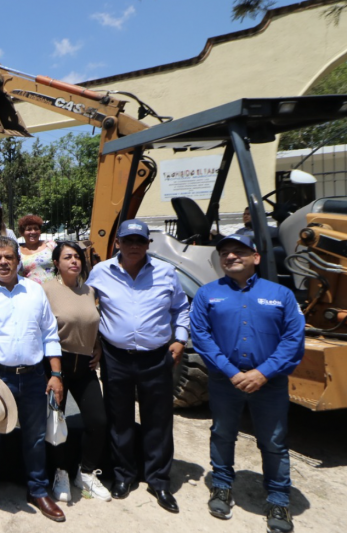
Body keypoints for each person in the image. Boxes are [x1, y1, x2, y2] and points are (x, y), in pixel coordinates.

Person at [190, 234, 304, 533]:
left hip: (270, 383)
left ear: (255, 257)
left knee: (274, 442)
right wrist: (231, 372)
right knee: (223, 433)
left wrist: (264, 373)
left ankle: (279, 498)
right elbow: (201, 337)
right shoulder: (207, 294)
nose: (230, 257)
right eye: (224, 252)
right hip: (225, 380)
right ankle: (222, 485)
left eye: (237, 251)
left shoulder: (281, 295)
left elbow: (293, 339)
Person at [87, 219, 189, 513]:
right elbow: (87, 305)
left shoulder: (166, 273)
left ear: (147, 244)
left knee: (158, 420)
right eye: (128, 240)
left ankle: (158, 480)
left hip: (156, 357)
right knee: (119, 420)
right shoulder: (101, 272)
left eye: (139, 241)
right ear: (117, 242)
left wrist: (180, 339)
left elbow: (181, 308)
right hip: (115, 357)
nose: (134, 246)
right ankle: (124, 475)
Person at [0, 236, 65, 522]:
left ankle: (38, 490)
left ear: (18, 261)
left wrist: (56, 374)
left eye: (9, 257)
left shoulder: (35, 291)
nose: (3, 262)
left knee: (34, 437)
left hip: (34, 377)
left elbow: (49, 335)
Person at [41, 241, 110, 502]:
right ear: (56, 263)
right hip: (57, 365)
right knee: (57, 423)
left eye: (78, 257)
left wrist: (98, 347)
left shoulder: (90, 290)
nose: (74, 261)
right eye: (67, 257)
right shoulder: (46, 290)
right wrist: (51, 373)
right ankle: (60, 473)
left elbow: (92, 323)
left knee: (98, 421)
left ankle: (87, 472)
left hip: (86, 366)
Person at [17, 214, 57, 284]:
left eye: (36, 228)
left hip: (52, 290)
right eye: (29, 229)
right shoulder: (17, 251)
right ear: (22, 233)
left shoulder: (50, 246)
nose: (33, 232)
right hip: (30, 291)